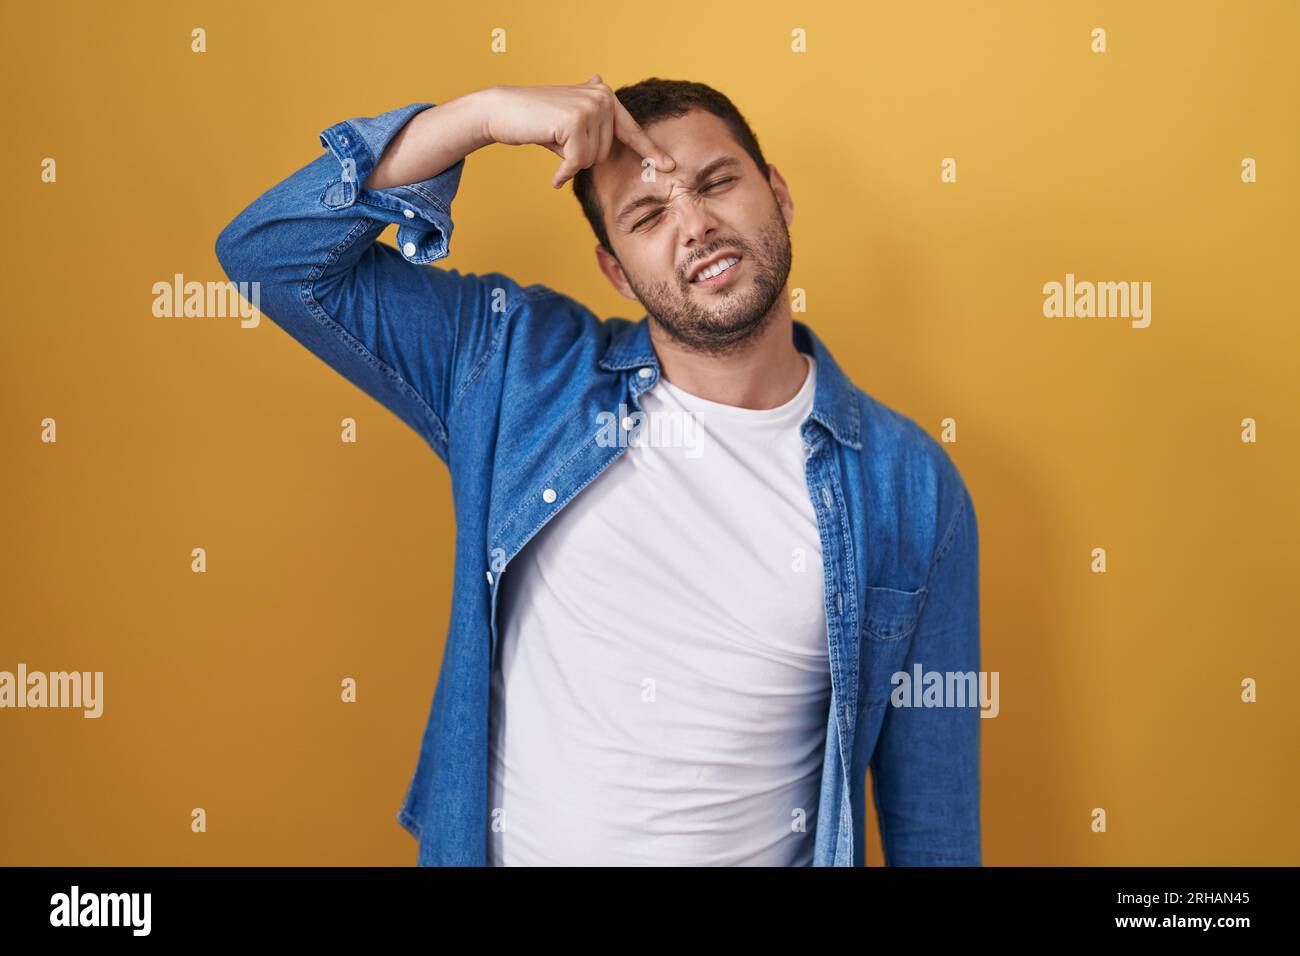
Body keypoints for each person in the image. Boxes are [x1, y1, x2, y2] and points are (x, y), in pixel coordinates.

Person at [215, 75, 982, 866]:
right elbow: (268, 256)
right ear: (615, 270)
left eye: (717, 182)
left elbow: (936, 823)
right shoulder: (514, 366)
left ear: (778, 194)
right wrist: (476, 119)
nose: (697, 225)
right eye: (647, 216)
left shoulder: (910, 486)